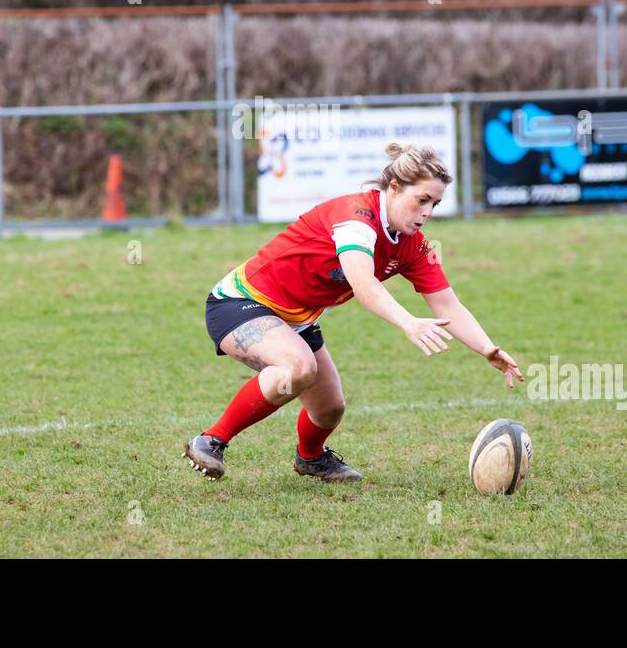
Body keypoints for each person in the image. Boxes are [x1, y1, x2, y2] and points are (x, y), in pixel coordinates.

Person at [184, 142, 523, 482]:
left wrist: (486, 348)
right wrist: (408, 323)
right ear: (393, 188)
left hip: (296, 319)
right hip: (239, 302)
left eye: (435, 203)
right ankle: (212, 440)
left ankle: (311, 459)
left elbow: (447, 303)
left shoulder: (413, 245)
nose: (428, 212)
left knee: (330, 408)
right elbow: (363, 283)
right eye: (422, 200)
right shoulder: (356, 218)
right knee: (297, 367)